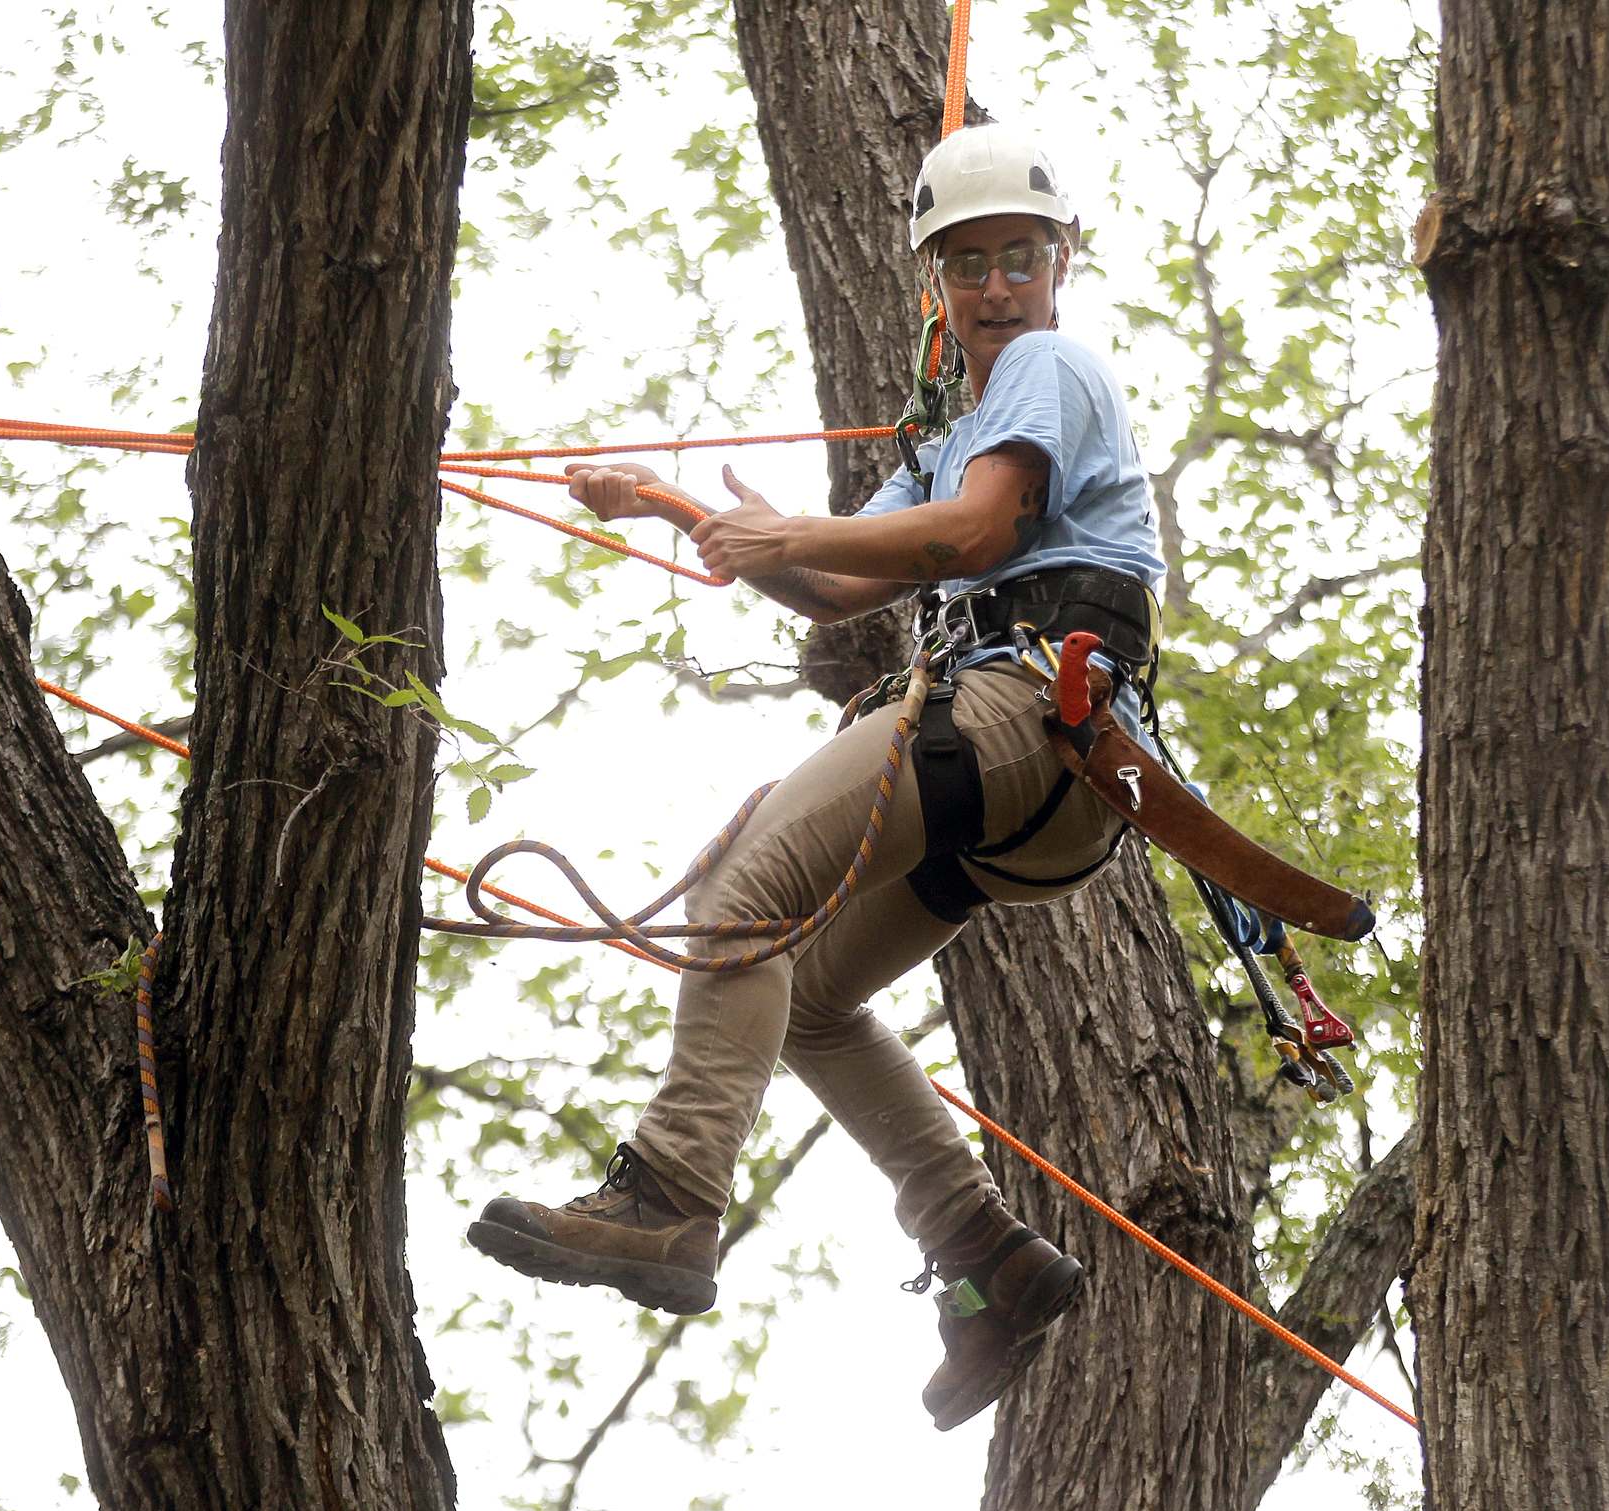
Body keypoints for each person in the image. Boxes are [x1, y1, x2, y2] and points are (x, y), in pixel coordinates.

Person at [466, 124, 1167, 1431]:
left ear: (1061, 264)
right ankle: (988, 1254)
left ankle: (672, 1195)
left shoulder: (1052, 371)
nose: (999, 286)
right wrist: (691, 516)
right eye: (971, 268)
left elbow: (977, 534)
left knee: (747, 887)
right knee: (810, 994)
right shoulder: (959, 434)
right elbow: (846, 577)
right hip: (1038, 781)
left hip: (1032, 710)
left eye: (1021, 257)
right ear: (937, 291)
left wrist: (785, 526)